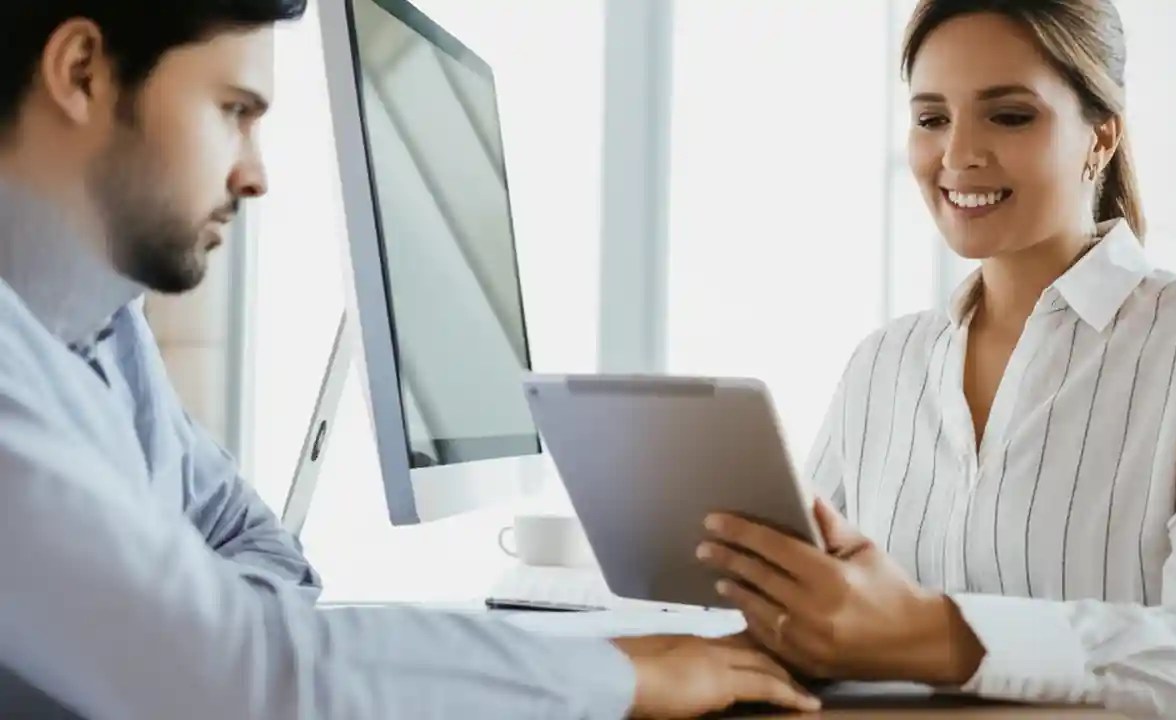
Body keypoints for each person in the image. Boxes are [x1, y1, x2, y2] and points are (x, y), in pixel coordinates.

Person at [0, 2, 823, 718]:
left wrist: (222, 635)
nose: (254, 173)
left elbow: (256, 557)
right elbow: (227, 675)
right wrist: (617, 677)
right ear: (82, 72)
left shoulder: (105, 326)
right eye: (233, 109)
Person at [695, 1, 1176, 718]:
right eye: (932, 118)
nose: (958, 154)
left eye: (1009, 116)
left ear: (1101, 135)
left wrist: (938, 635)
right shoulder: (883, 363)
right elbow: (803, 606)